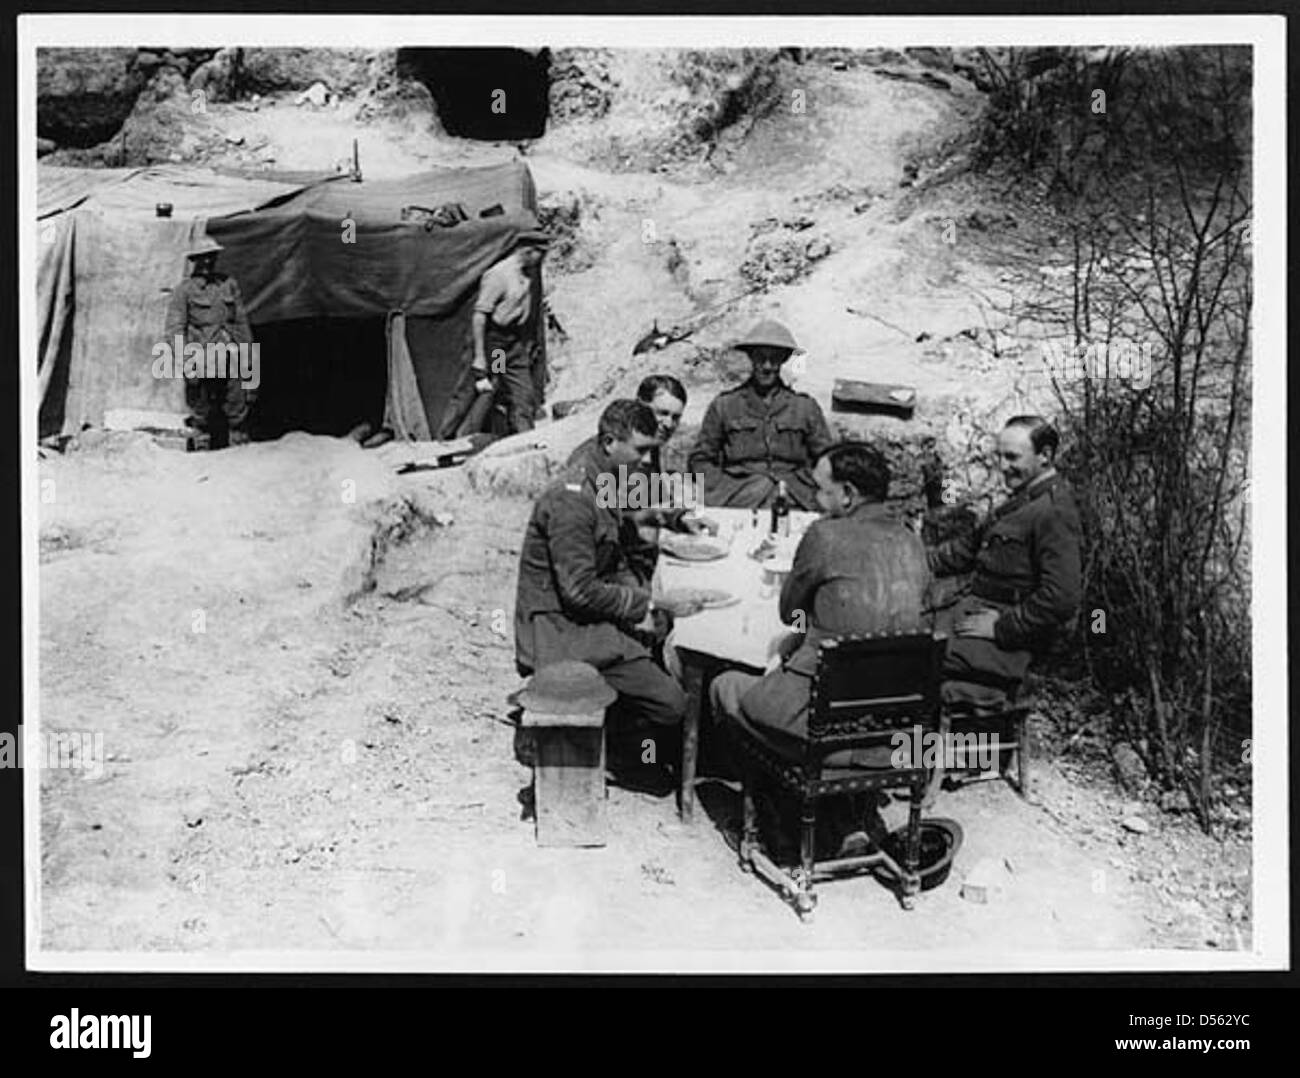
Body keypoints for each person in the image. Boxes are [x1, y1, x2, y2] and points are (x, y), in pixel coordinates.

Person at [709, 442, 933, 755]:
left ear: (848, 494)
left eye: (821, 489)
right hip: (891, 722)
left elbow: (790, 613)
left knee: (725, 686)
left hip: (824, 716)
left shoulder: (824, 535)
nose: (815, 498)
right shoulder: (912, 542)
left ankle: (781, 785)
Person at [515, 400, 698, 783]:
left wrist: (667, 518)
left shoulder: (604, 468)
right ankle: (574, 737)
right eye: (641, 450)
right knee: (672, 706)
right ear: (611, 440)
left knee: (660, 643)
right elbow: (579, 592)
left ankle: (599, 718)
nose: (647, 460)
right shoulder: (572, 497)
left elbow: (621, 520)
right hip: (560, 627)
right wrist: (650, 603)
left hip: (584, 616)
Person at [927, 415, 1082, 712]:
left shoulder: (1053, 511)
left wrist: (1002, 628)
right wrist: (912, 558)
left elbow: (1062, 598)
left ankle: (923, 746)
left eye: (1012, 457)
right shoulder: (1021, 500)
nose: (1002, 466)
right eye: (999, 456)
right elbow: (962, 551)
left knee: (915, 654)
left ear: (1045, 456)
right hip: (974, 611)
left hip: (1013, 640)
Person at [567, 374, 713, 582]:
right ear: (639, 406)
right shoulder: (607, 456)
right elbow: (605, 529)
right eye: (661, 413)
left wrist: (677, 517)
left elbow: (645, 504)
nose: (668, 424)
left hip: (635, 559)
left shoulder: (651, 449)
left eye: (675, 417)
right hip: (604, 572)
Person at [688, 319, 834, 511]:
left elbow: (828, 458)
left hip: (795, 498)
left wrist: (806, 486)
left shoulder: (804, 407)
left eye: (774, 359)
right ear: (750, 358)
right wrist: (723, 490)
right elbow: (700, 460)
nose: (766, 366)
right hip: (740, 498)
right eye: (760, 357)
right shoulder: (724, 406)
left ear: (783, 360)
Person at [164, 236, 255, 447]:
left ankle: (237, 444)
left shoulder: (228, 284)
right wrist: (186, 361)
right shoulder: (184, 290)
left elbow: (240, 321)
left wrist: (249, 355)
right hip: (201, 353)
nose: (207, 262)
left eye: (211, 257)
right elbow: (174, 329)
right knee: (201, 405)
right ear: (194, 260)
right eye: (202, 258)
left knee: (237, 401)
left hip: (230, 352)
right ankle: (202, 445)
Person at [471, 234, 549, 435]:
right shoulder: (499, 275)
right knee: (495, 388)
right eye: (541, 253)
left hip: (514, 342)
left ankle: (526, 438)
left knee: (524, 393)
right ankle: (454, 438)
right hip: (498, 343)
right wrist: (479, 356)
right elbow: (480, 315)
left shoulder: (525, 274)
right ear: (528, 251)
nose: (543, 259)